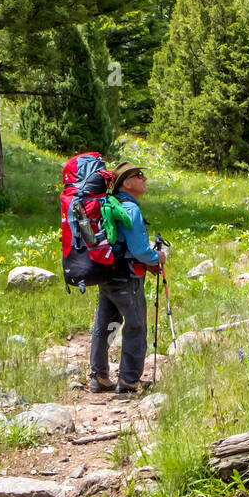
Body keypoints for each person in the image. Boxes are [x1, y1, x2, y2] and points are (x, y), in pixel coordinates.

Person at [88, 162, 166, 394]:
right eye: (138, 175)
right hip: (127, 278)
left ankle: (99, 376)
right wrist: (157, 256)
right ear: (127, 183)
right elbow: (140, 250)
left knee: (106, 325)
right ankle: (129, 380)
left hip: (107, 274)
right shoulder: (130, 209)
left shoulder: (110, 205)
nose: (144, 178)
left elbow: (121, 245)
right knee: (135, 326)